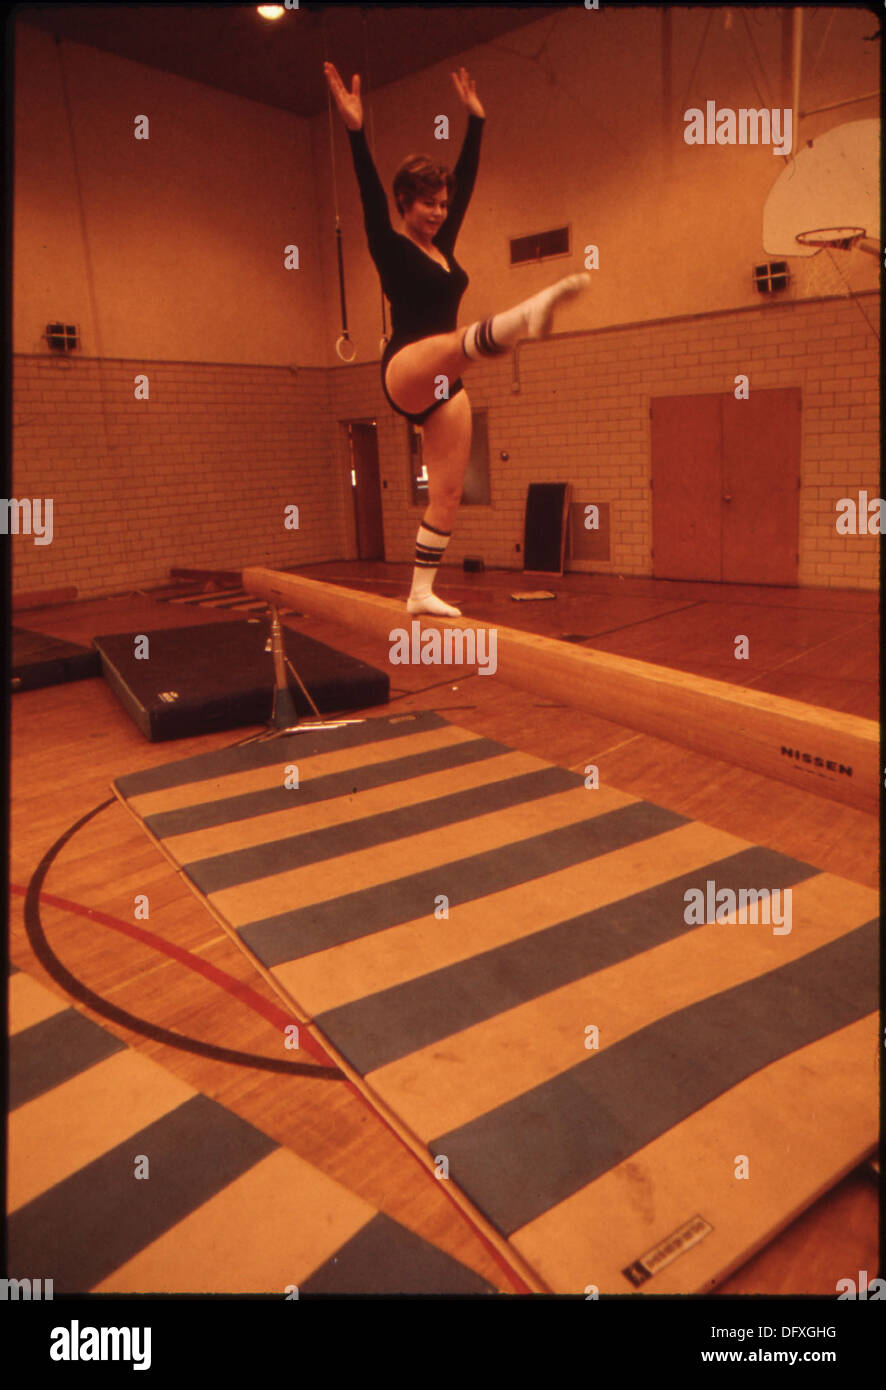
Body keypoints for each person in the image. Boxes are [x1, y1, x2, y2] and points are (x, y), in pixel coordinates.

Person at [324, 62, 590, 616]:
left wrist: (476, 122)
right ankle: (518, 321)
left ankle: (420, 592)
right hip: (407, 367)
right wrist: (354, 129)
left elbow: (464, 185)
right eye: (428, 204)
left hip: (445, 383)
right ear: (404, 204)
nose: (439, 213)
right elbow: (369, 198)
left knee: (446, 495)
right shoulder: (390, 247)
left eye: (443, 205)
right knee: (460, 343)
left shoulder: (445, 248)